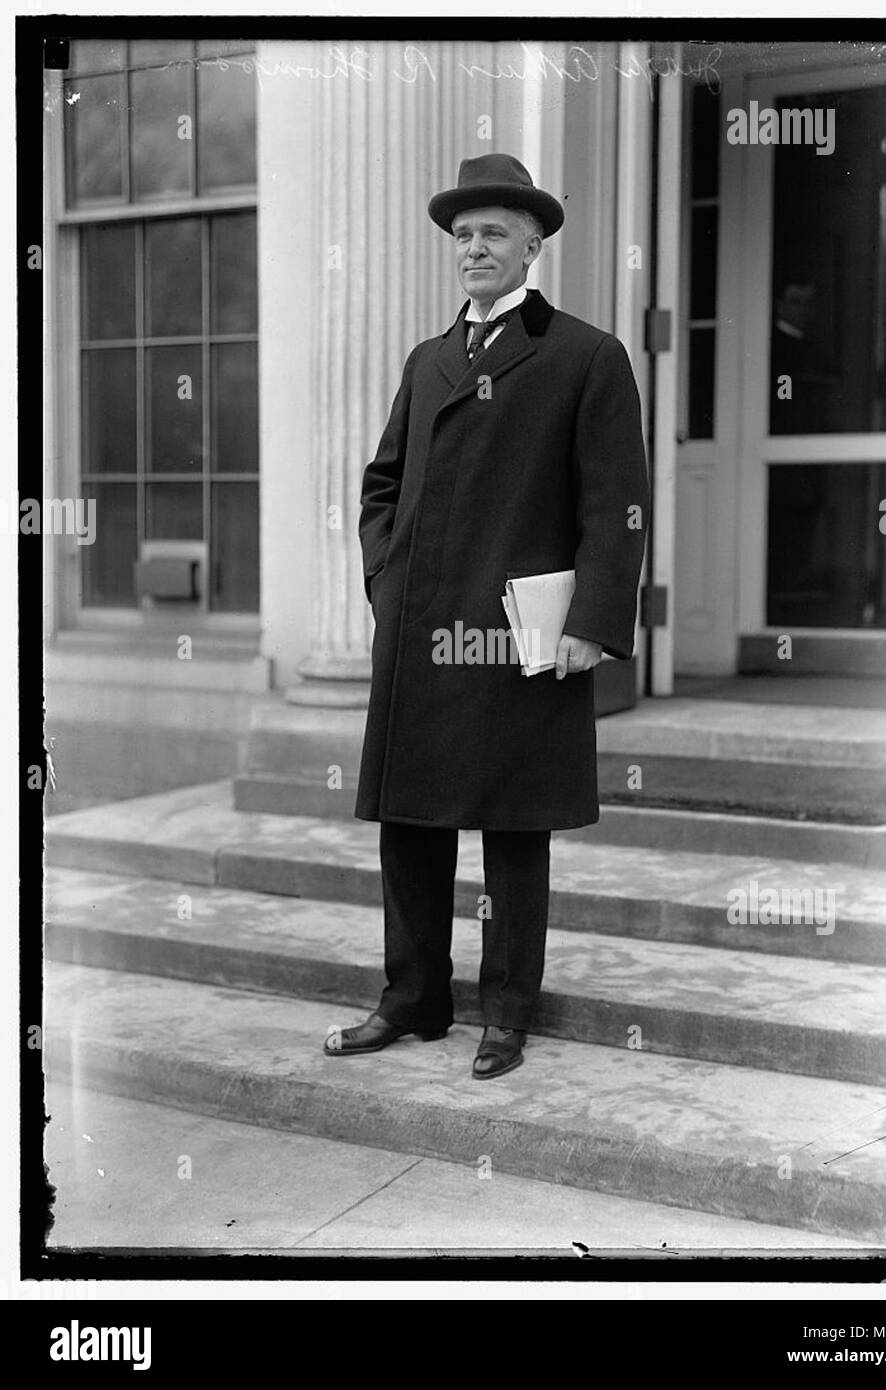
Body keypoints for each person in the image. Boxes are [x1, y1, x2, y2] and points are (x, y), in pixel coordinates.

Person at [324, 153, 649, 1079]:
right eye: (463, 235)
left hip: (522, 633)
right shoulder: (429, 362)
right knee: (410, 821)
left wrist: (591, 618)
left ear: (533, 246)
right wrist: (386, 581)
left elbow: (614, 502)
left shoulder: (587, 356)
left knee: (514, 827)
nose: (475, 248)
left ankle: (506, 1011)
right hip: (422, 627)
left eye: (494, 233)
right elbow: (382, 484)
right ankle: (414, 998)